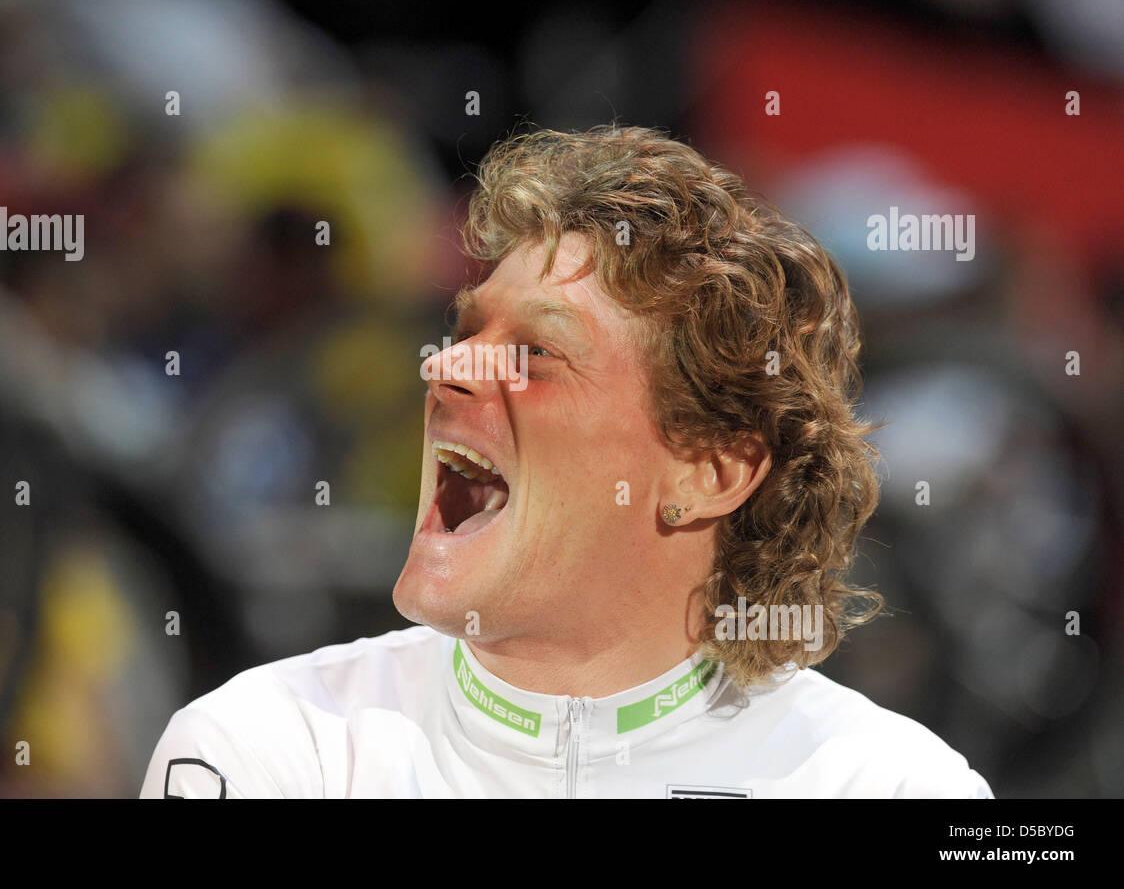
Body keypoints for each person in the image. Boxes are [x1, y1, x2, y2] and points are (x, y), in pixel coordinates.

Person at [140, 125, 993, 798]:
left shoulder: (890, 787)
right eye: (469, 330)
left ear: (712, 472)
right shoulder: (267, 751)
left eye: (538, 354)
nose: (444, 366)